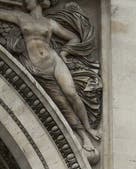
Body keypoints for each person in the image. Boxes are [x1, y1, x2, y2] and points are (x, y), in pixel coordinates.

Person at [0, 0, 101, 154]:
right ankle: (83, 136)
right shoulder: (20, 17)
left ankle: (89, 128)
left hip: (54, 60)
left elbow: (73, 37)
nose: (26, 1)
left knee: (71, 93)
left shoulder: (50, 23)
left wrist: (65, 52)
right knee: (61, 102)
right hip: (37, 67)